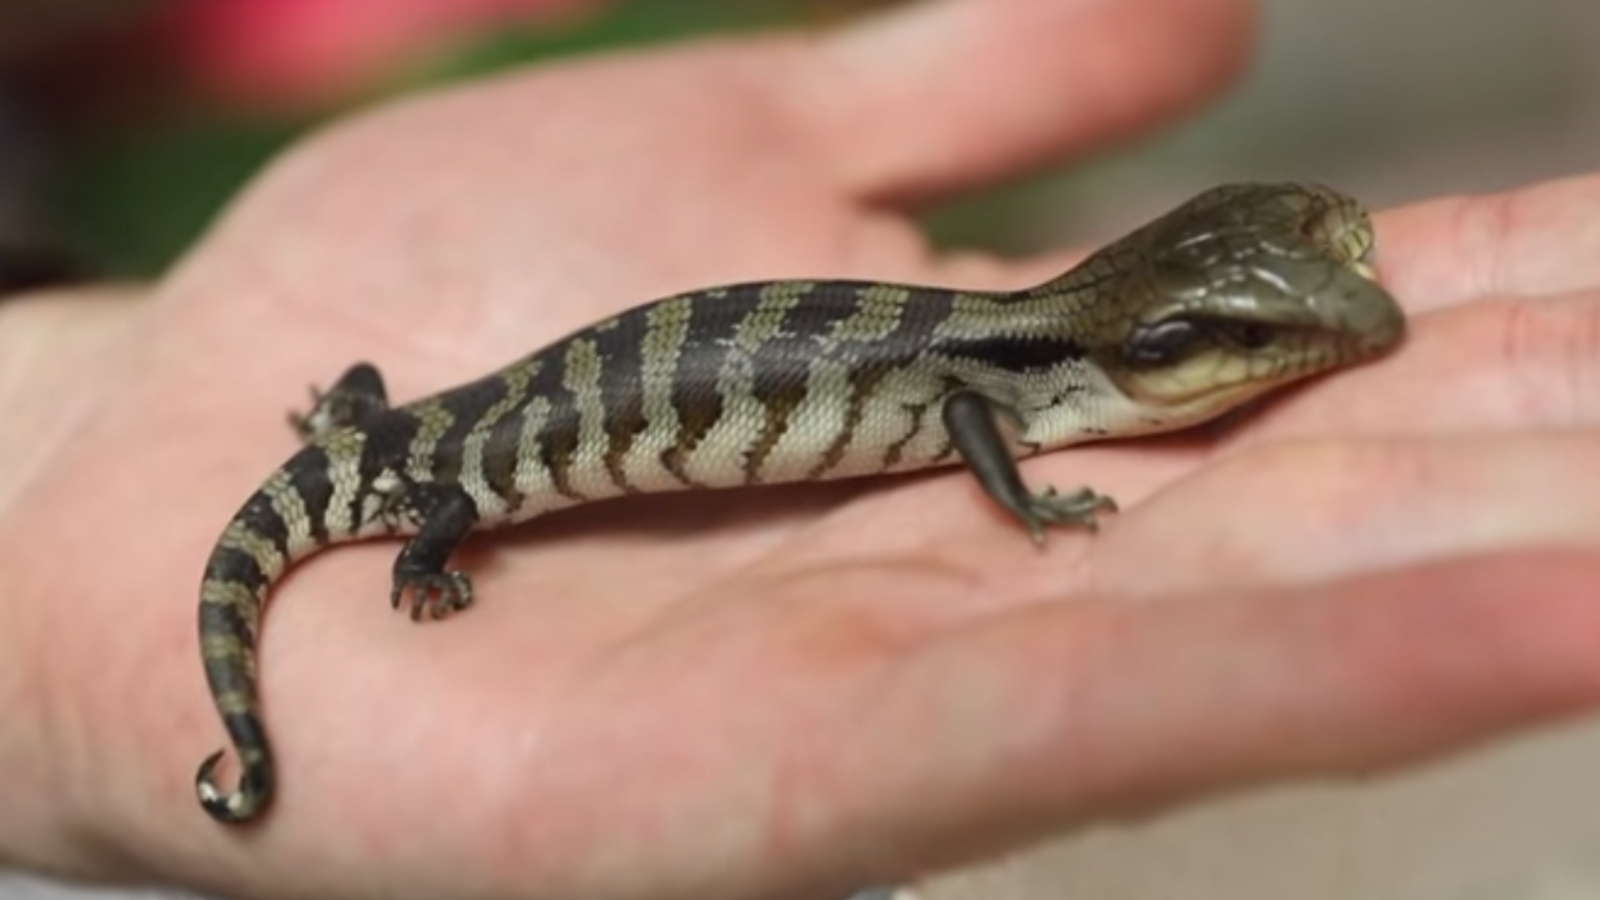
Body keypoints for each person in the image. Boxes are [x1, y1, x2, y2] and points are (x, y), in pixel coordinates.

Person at [3, 1, 1600, 898]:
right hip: (440, 462)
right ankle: (324, 633)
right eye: (1249, 342)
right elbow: (981, 428)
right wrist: (1029, 511)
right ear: (1145, 352)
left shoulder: (1027, 362)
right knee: (433, 495)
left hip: (391, 426)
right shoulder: (1015, 390)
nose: (1275, 357)